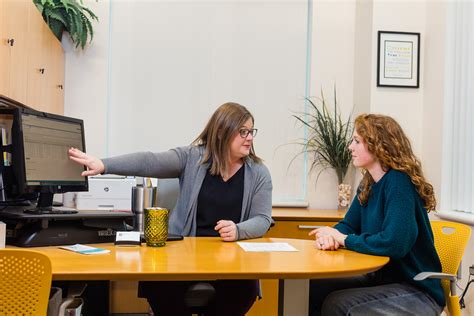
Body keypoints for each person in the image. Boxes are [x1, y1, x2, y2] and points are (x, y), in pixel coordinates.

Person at [68, 102, 272, 316]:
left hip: (230, 260)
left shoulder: (258, 173)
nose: (249, 137)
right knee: (159, 284)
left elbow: (262, 219)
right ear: (221, 132)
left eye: (251, 131)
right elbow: (149, 161)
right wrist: (104, 165)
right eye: (243, 132)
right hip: (184, 257)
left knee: (244, 290)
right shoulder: (192, 158)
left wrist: (238, 230)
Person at [308, 114, 445, 316]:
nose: (350, 147)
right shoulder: (369, 184)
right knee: (312, 287)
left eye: (356, 141)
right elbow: (348, 225)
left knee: (337, 304)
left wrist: (344, 240)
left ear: (378, 145)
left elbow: (394, 243)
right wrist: (331, 236)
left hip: (417, 291)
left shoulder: (399, 183)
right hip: (384, 280)